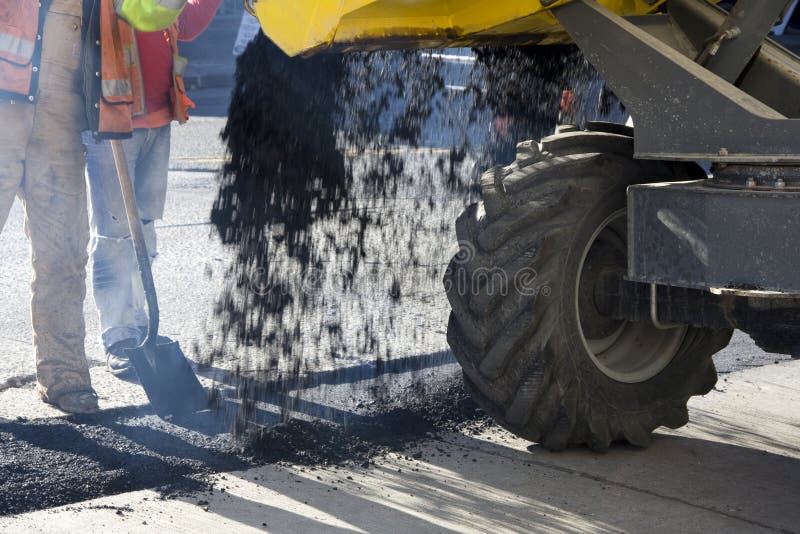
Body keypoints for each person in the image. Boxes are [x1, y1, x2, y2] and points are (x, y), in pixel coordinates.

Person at [0, 0, 187, 414]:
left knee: (64, 255)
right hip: (2, 110)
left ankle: (64, 377)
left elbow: (145, 13)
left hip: (58, 123)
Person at [82, 0, 221, 377]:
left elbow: (186, 24)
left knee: (143, 231)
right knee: (114, 235)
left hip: (158, 117)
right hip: (114, 119)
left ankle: (141, 322)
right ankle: (118, 333)